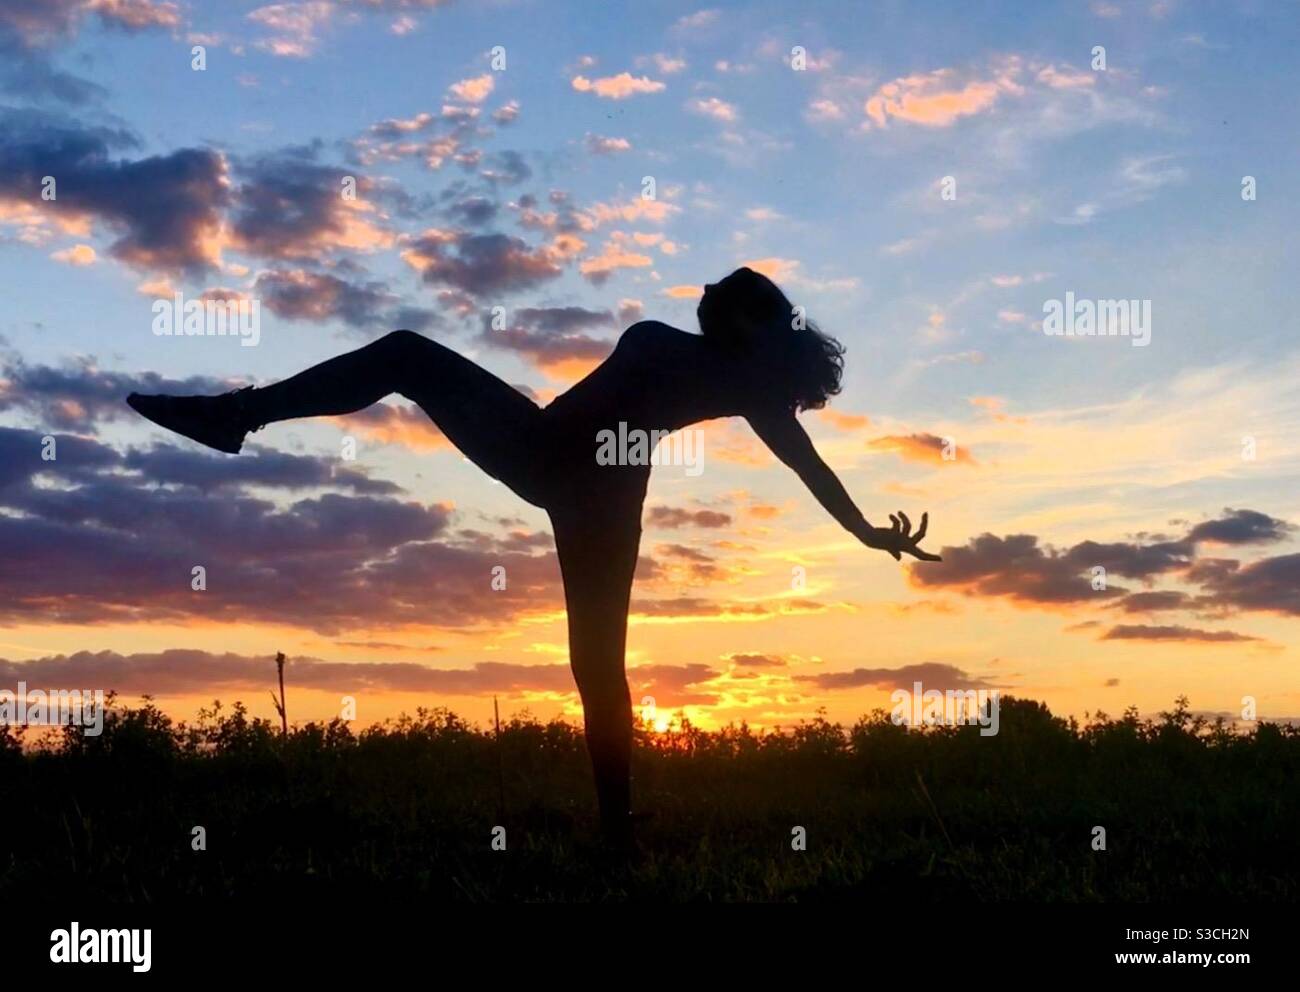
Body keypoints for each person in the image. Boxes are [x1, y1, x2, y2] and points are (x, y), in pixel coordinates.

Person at [128, 266, 941, 844]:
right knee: (407, 355)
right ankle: (237, 416)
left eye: (727, 300)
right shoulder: (724, 370)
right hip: (572, 465)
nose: (706, 300)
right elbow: (809, 463)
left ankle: (618, 822)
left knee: (597, 663)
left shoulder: (745, 385)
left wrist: (868, 531)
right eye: (716, 296)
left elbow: (810, 466)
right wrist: (866, 530)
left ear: (759, 326)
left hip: (571, 472)